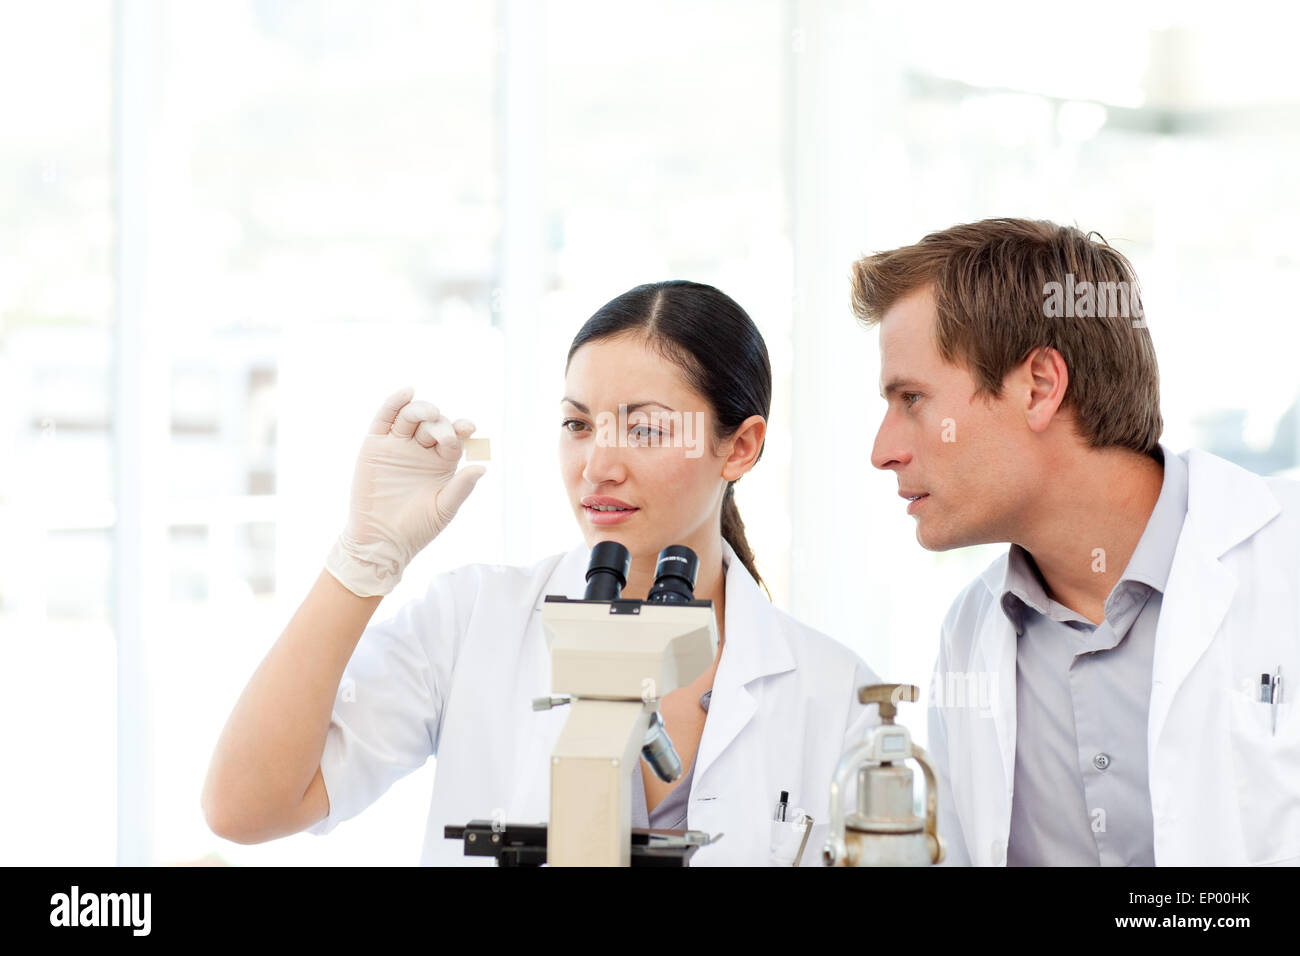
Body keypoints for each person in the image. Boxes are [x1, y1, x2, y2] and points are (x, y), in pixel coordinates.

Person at [202, 279, 880, 866]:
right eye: (578, 425)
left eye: (644, 429)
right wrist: (363, 559)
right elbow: (246, 806)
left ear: (740, 446)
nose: (599, 464)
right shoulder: (472, 621)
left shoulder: (837, 695)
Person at [852, 218, 1300, 866]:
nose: (883, 451)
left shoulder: (1283, 558)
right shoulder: (970, 636)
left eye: (913, 399)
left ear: (1039, 387)